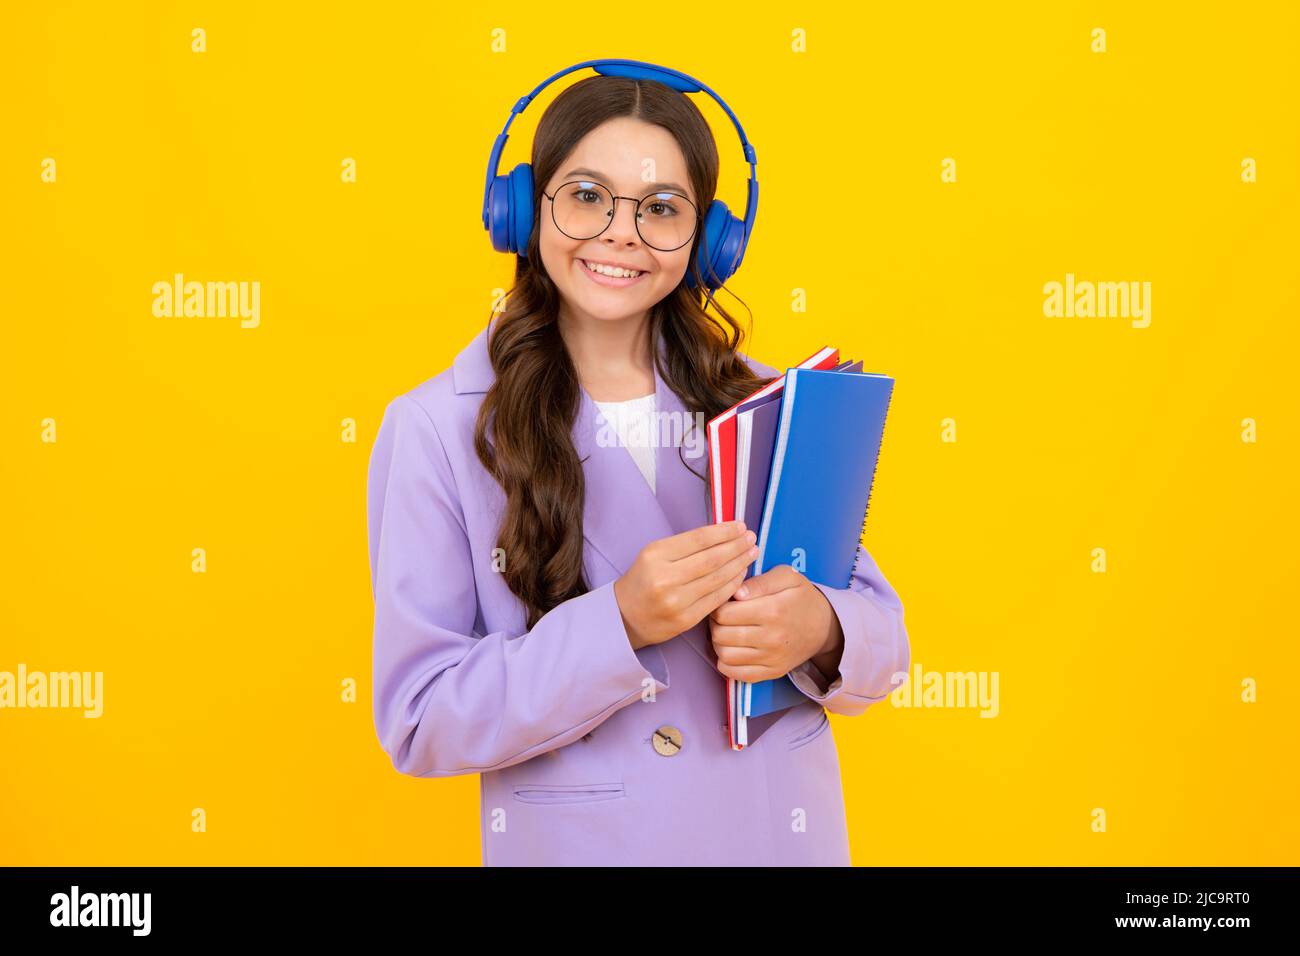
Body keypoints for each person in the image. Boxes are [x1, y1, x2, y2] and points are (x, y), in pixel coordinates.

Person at [366, 64, 909, 866]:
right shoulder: (435, 429)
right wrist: (616, 623)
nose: (622, 233)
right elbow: (419, 714)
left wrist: (821, 628)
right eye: (587, 196)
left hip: (777, 836)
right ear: (521, 211)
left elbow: (882, 633)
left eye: (659, 209)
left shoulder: (771, 402)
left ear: (707, 239)